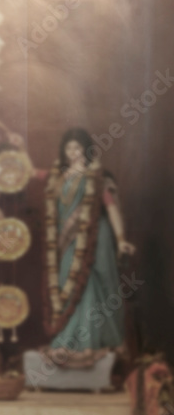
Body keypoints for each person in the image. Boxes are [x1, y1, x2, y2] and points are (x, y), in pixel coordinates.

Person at [43, 127, 135, 360]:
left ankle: (84, 344)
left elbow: (111, 208)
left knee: (89, 285)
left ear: (86, 150)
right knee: (66, 284)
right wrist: (20, 151)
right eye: (69, 148)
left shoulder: (97, 177)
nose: (73, 152)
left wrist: (121, 238)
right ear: (63, 151)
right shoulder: (58, 178)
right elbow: (30, 173)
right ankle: (70, 342)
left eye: (77, 147)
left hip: (93, 238)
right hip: (65, 241)